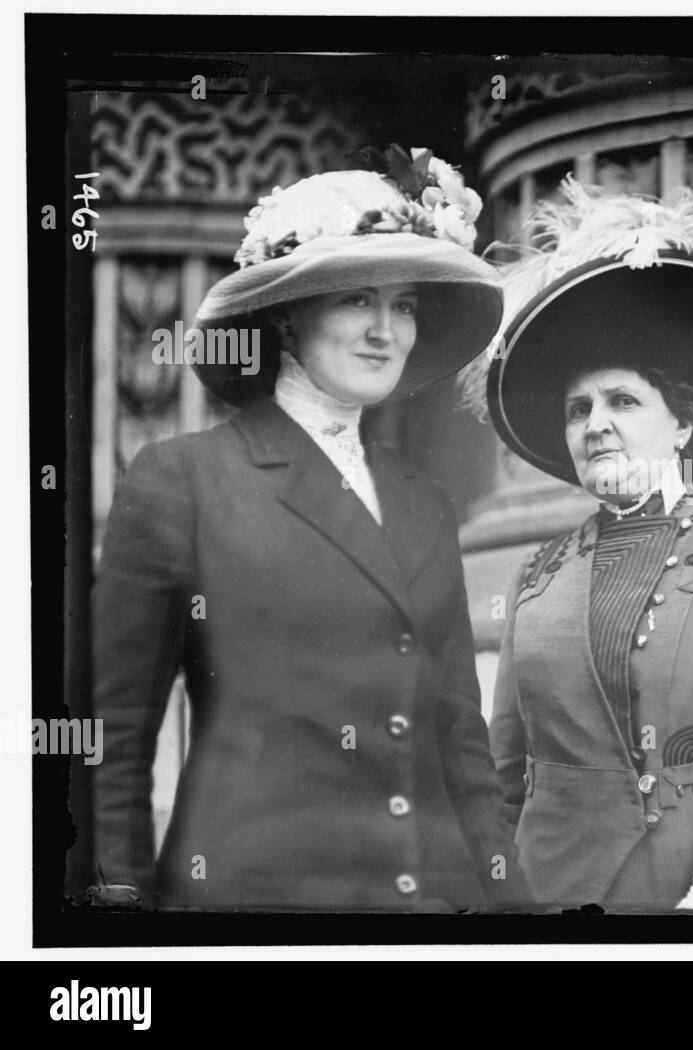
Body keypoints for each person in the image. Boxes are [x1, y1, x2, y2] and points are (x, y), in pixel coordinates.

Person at [91, 149, 529, 911]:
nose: (385, 332)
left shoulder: (422, 500)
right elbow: (113, 738)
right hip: (258, 903)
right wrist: (116, 907)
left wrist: (517, 910)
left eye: (404, 307)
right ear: (287, 320)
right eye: (357, 300)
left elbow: (460, 739)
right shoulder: (182, 479)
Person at [477, 178, 693, 911]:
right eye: (579, 410)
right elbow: (505, 774)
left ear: (683, 426)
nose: (595, 424)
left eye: (623, 401)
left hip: (690, 887)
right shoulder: (537, 574)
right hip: (544, 896)